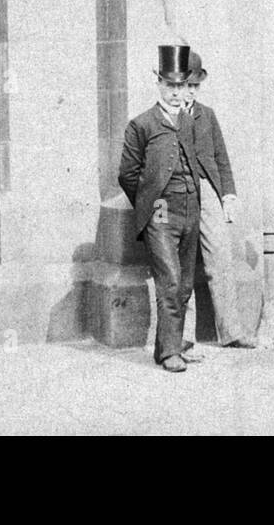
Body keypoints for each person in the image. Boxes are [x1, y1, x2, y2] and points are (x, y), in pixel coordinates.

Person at [117, 45, 200, 372]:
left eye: (181, 86)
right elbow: (127, 174)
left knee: (185, 283)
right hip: (162, 211)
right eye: (170, 86)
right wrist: (150, 205)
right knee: (170, 279)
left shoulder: (188, 122)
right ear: (159, 84)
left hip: (190, 208)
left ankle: (172, 344)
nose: (176, 93)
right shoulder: (141, 125)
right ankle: (169, 354)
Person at [183, 51, 253, 348]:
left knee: (220, 258)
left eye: (195, 86)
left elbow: (221, 157)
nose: (191, 91)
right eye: (186, 85)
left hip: (208, 190)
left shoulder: (207, 115)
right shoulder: (167, 115)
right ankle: (183, 336)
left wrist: (228, 195)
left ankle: (231, 332)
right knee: (182, 262)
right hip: (180, 192)